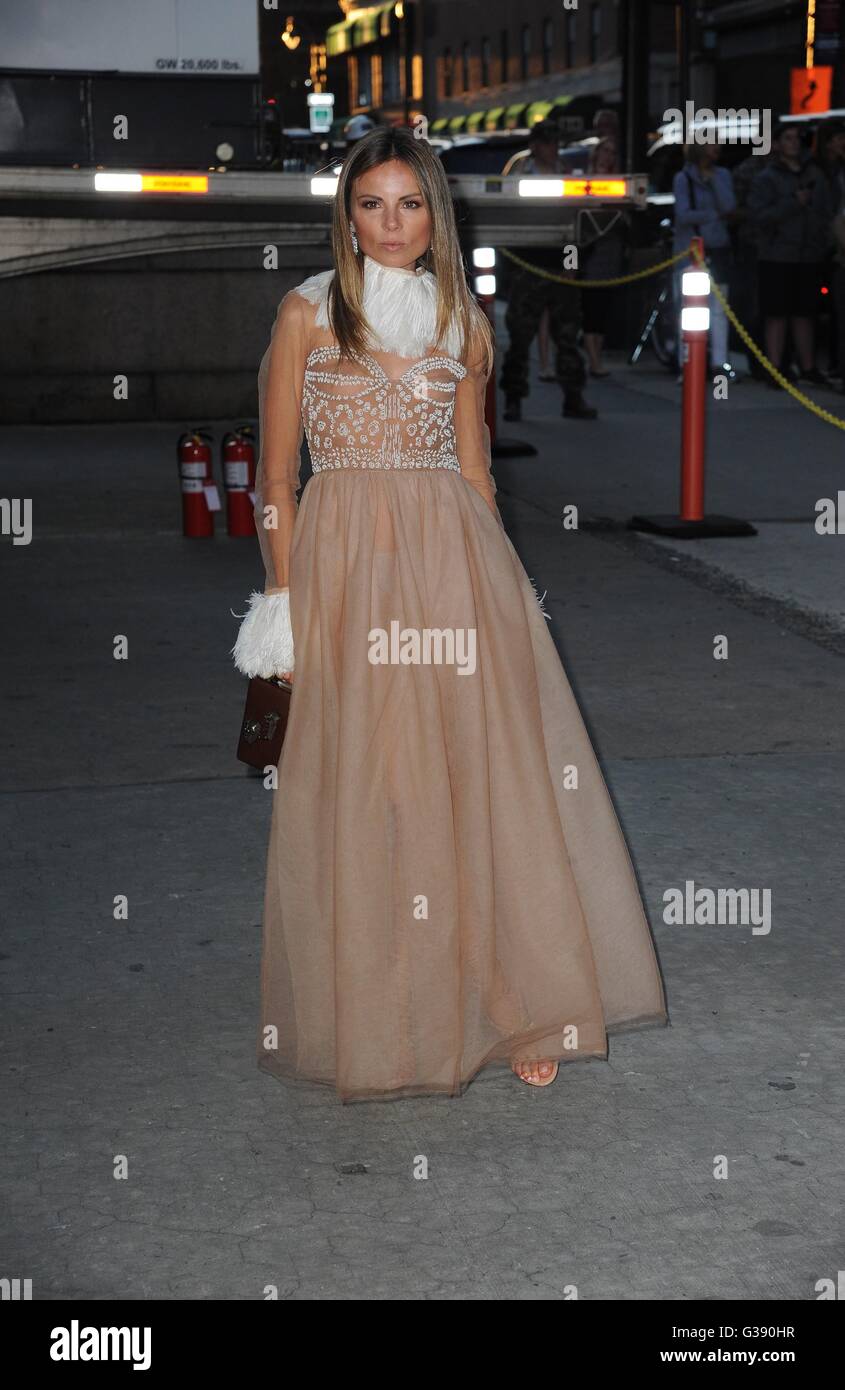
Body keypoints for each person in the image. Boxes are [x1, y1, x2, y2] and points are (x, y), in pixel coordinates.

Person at [231, 126, 667, 1104]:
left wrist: (506, 596)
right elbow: (274, 477)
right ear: (346, 214)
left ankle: (510, 997)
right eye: (371, 204)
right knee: (373, 789)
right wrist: (283, 601)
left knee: (476, 778)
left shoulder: (462, 323)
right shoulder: (304, 315)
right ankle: (382, 1004)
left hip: (448, 572)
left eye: (409, 203)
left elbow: (474, 476)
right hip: (343, 576)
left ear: (435, 212)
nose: (390, 224)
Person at [499, 120, 597, 420]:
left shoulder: (569, 177)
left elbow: (581, 226)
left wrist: (572, 266)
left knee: (567, 334)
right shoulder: (520, 176)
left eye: (556, 142)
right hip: (529, 267)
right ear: (535, 145)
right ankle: (513, 399)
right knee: (520, 336)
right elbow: (506, 224)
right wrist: (516, 265)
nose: (553, 148)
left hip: (559, 266)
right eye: (547, 142)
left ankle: (573, 397)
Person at [747, 123, 833, 387]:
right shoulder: (767, 178)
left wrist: (821, 242)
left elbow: (826, 212)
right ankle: (775, 367)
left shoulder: (816, 175)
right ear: (778, 143)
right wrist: (794, 204)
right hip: (777, 255)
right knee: (777, 313)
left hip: (808, 255)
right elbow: (759, 217)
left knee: (805, 312)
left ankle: (807, 366)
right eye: (788, 138)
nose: (794, 143)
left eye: (798, 138)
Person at [672, 141, 737, 380]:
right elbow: (683, 214)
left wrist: (712, 182)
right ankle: (686, 362)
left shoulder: (723, 175)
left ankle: (719, 362)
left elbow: (729, 206)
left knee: (719, 308)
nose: (716, 147)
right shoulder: (683, 179)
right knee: (689, 309)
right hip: (690, 250)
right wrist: (712, 215)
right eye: (711, 143)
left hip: (718, 247)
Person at [579, 136, 627, 377]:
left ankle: (597, 356)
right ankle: (594, 360)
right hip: (592, 251)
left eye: (612, 152)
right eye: (605, 151)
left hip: (612, 251)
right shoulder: (585, 181)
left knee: (604, 308)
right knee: (591, 306)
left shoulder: (620, 182)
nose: (609, 156)